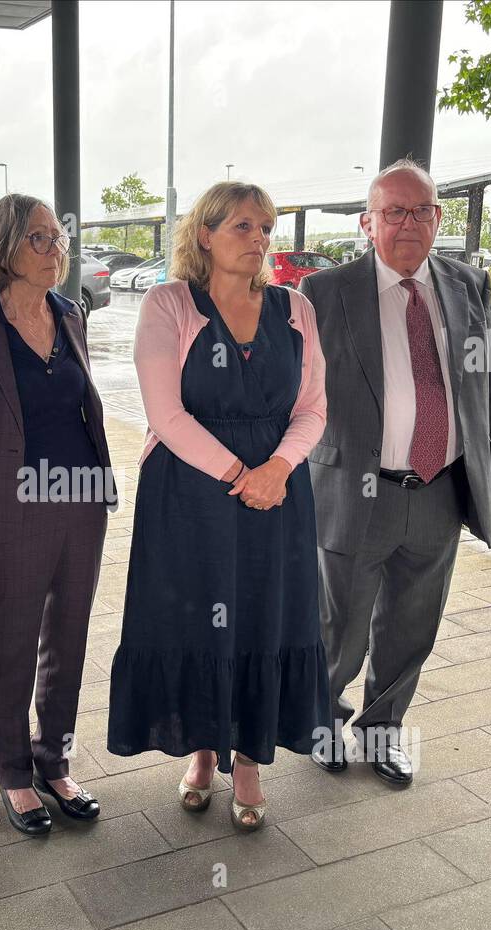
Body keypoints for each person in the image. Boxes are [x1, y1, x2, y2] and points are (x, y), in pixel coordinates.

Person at [107, 181, 330, 831]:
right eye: (242, 225)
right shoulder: (167, 303)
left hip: (279, 492)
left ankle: (250, 760)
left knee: (264, 616)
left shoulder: (296, 309)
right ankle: (202, 752)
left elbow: (314, 406)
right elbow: (164, 413)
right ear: (203, 233)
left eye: (266, 226)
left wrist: (280, 467)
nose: (259, 237)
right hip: (188, 495)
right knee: (197, 621)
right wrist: (243, 473)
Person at [300, 158, 491, 786]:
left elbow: (487, 386)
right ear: (368, 223)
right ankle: (321, 721)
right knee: (338, 627)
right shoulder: (326, 293)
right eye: (393, 211)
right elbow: (299, 394)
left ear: (439, 217)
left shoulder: (470, 285)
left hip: (440, 491)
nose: (408, 222)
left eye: (421, 209)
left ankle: (383, 731)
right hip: (354, 490)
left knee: (413, 625)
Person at [0, 194, 113, 837]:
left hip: (82, 500)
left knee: (67, 639)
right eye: (40, 238)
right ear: (3, 248)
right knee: (10, 644)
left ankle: (53, 759)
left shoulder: (71, 314)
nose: (56, 249)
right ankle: (12, 772)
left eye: (59, 238)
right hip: (13, 508)